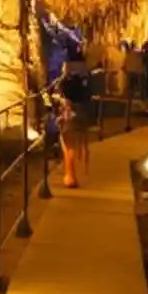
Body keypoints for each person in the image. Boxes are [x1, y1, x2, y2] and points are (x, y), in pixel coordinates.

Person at [55, 44, 93, 188]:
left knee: (68, 146)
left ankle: (70, 176)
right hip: (82, 112)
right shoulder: (85, 79)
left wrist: (51, 106)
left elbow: (58, 94)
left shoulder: (66, 81)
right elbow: (89, 95)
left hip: (69, 113)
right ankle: (71, 173)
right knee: (76, 145)